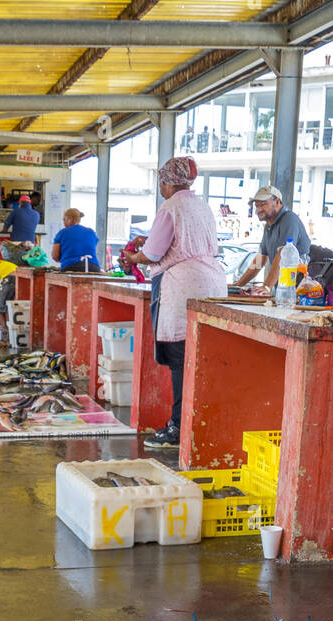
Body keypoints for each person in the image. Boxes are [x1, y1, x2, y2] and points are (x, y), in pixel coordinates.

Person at [125, 156, 226, 448]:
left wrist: (134, 257)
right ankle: (198, 425)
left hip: (183, 286)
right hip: (212, 282)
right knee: (201, 358)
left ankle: (179, 427)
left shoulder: (170, 207)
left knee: (181, 360)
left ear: (166, 181)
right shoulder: (201, 205)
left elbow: (154, 254)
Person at [233, 184, 311, 295]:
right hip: (283, 290)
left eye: (263, 204)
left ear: (277, 201)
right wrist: (238, 285)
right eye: (257, 206)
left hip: (299, 290)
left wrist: (267, 286)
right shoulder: (269, 226)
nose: (259, 209)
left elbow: (283, 253)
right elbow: (260, 260)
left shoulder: (289, 219)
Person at [51, 208, 100, 273]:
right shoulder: (91, 232)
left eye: (64, 219)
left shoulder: (62, 233)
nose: (63, 222)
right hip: (93, 267)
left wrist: (66, 259)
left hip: (71, 267)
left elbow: (55, 256)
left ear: (69, 219)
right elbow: (94, 250)